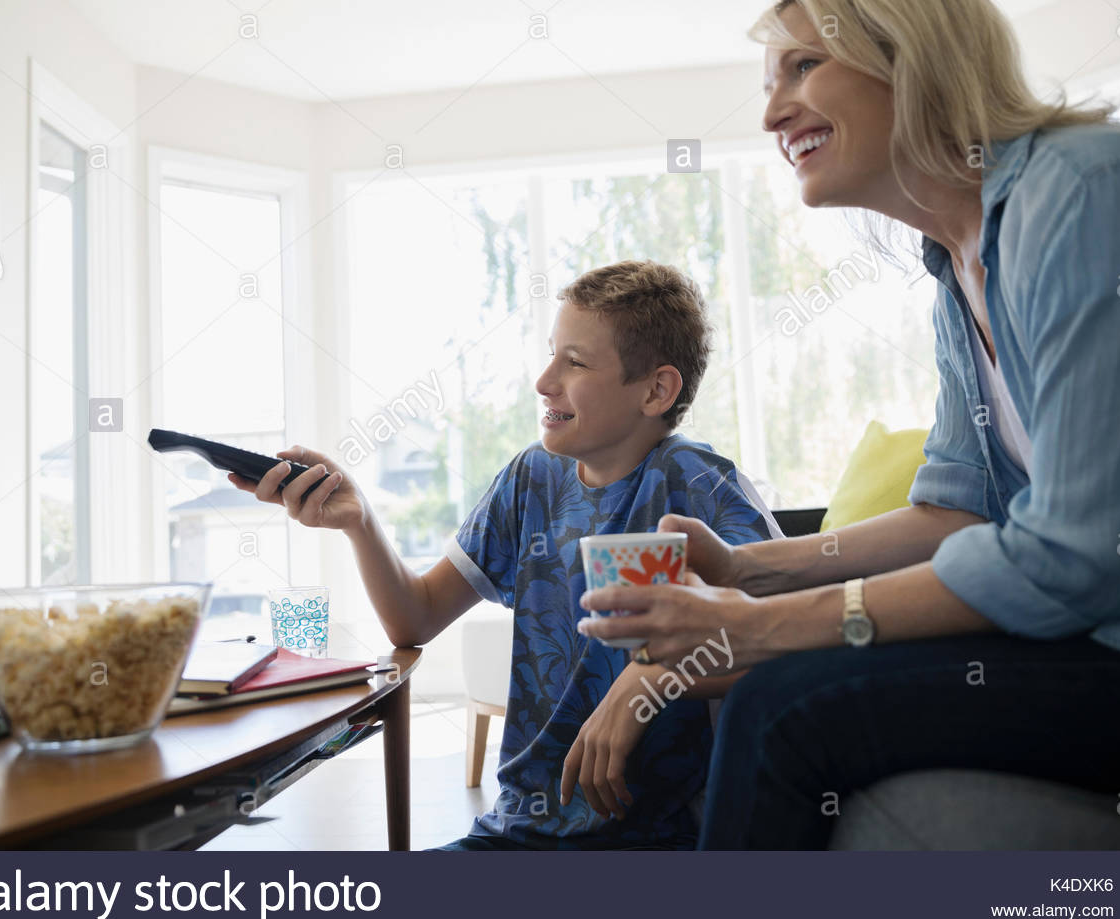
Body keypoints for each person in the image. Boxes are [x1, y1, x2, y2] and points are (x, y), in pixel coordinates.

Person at [579, 0, 1120, 849]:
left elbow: (1076, 560)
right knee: (770, 691)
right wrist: (749, 571)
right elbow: (958, 509)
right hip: (1110, 635)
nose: (775, 111)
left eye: (803, 65)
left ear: (911, 55)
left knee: (784, 706)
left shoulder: (1086, 193)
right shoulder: (957, 271)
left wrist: (760, 629)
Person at [230, 260, 778, 849]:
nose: (544, 381)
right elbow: (414, 618)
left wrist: (646, 680)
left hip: (652, 838)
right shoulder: (530, 478)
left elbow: (779, 632)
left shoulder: (703, 487)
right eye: (550, 354)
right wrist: (359, 521)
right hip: (518, 833)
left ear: (656, 390)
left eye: (575, 361)